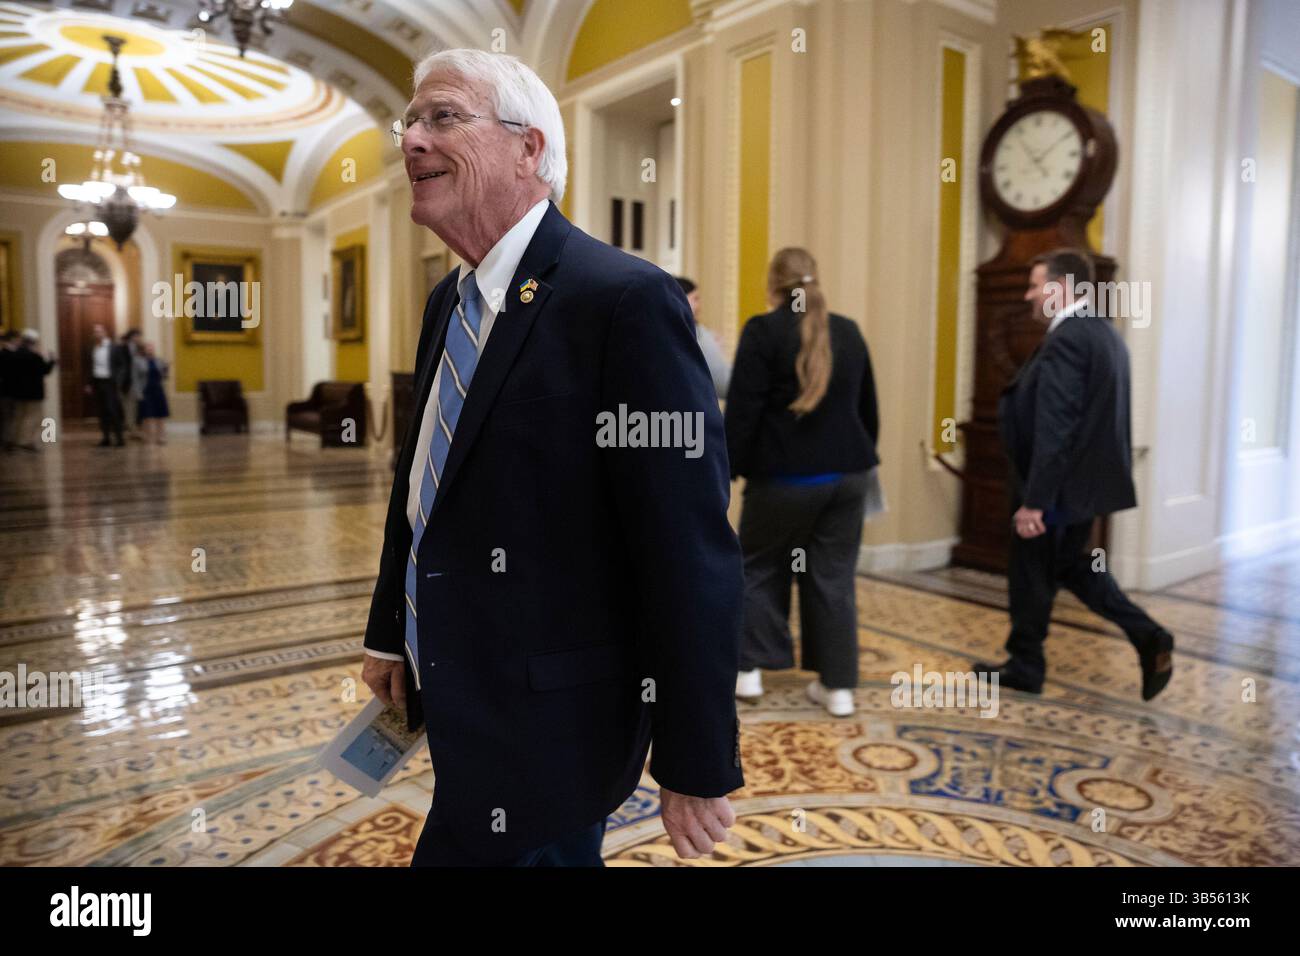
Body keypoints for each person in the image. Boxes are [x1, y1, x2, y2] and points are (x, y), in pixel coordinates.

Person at [361, 48, 743, 867]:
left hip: (553, 722)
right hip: (460, 691)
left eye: (443, 118)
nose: (413, 141)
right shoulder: (448, 300)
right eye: (410, 122)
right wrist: (392, 632)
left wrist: (694, 758)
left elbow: (688, 550)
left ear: (529, 148)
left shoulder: (624, 302)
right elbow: (419, 487)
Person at [973, 248, 1174, 700]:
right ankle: (1147, 636)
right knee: (1071, 568)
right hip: (1079, 488)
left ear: (1060, 288)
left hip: (1056, 490)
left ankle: (1026, 665)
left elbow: (1056, 426)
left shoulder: (1068, 339)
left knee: (1030, 572)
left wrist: (1036, 501)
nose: (1028, 296)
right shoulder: (1104, 334)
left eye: (1034, 285)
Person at [724, 247, 882, 718]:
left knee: (757, 567)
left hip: (784, 480)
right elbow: (868, 411)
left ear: (773, 284)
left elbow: (744, 413)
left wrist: (727, 469)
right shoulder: (849, 331)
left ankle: (748, 671)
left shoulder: (762, 330)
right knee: (832, 577)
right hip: (849, 478)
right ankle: (838, 689)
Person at [675, 276, 731, 397]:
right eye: (695, 299)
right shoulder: (698, 334)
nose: (699, 306)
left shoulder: (701, 333)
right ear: (681, 298)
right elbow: (723, 382)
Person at [4, 330, 56, 452]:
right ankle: (25, 441)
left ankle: (12, 440)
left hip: (17, 391)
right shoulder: (35, 356)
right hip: (34, 392)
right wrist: (52, 360)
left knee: (18, 416)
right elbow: (45, 370)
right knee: (32, 417)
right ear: (33, 342)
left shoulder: (15, 354)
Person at [88, 324, 125, 447]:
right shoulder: (93, 348)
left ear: (105, 332)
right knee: (101, 411)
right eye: (95, 332)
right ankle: (106, 437)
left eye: (99, 331)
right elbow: (90, 367)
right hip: (98, 382)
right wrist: (89, 384)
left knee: (112, 410)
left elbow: (122, 366)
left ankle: (120, 438)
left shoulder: (114, 347)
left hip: (110, 382)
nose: (97, 334)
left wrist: (118, 381)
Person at [135, 342, 170, 445]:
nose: (150, 350)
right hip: (145, 390)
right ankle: (147, 437)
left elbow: (165, 377)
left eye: (152, 348)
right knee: (147, 415)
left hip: (158, 389)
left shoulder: (159, 361)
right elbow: (135, 378)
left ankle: (161, 437)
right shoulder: (138, 361)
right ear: (144, 350)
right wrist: (138, 392)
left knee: (160, 415)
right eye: (148, 348)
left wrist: (167, 369)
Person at [120, 329, 144, 441]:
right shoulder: (124, 348)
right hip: (127, 382)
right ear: (133, 336)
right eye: (138, 336)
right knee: (129, 407)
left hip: (138, 382)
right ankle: (131, 430)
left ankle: (133, 429)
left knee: (135, 407)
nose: (139, 338)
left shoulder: (140, 348)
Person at [0, 329, 18, 450]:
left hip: (6, 390)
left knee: (7, 417)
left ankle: (7, 441)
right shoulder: (9, 354)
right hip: (8, 390)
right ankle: (8, 441)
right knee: (8, 417)